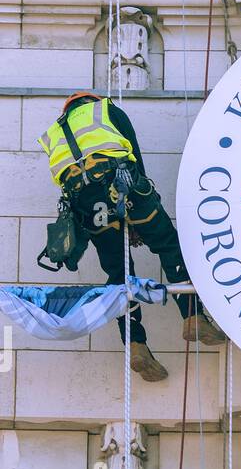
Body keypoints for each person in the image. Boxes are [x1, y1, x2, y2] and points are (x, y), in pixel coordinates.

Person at [38, 92, 224, 380]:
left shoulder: (53, 133)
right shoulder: (104, 110)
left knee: (118, 274)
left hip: (89, 207)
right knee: (167, 243)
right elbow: (133, 154)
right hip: (122, 185)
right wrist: (141, 199)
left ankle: (136, 345)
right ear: (90, 101)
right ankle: (192, 317)